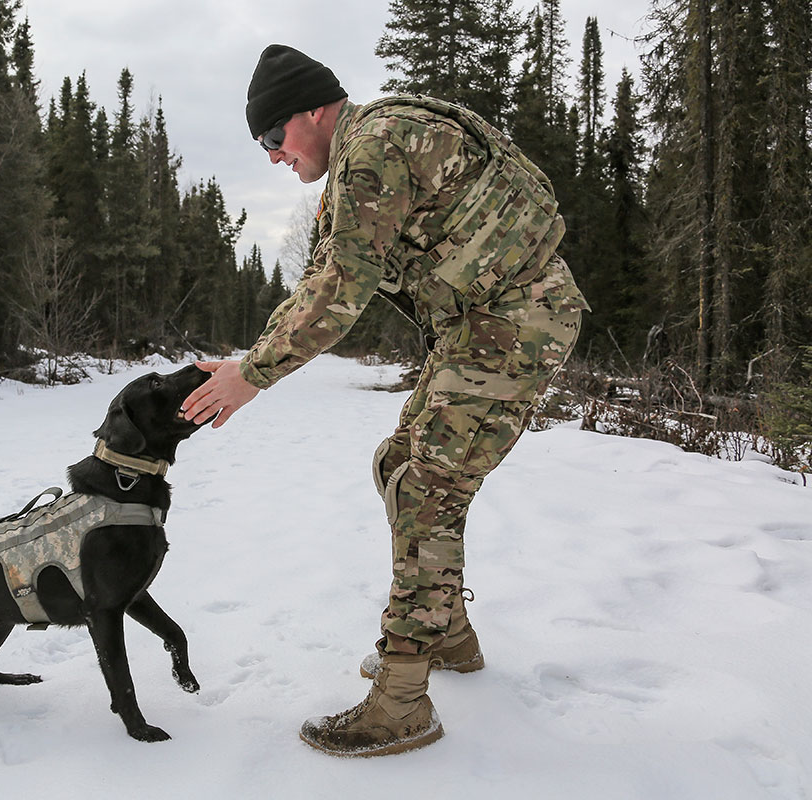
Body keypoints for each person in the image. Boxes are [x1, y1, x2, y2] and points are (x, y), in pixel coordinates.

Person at [181, 44, 589, 757]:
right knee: (398, 464)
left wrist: (255, 378)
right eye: (261, 144)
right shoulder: (363, 156)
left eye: (275, 136)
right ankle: (447, 638)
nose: (273, 155)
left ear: (315, 111)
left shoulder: (373, 149)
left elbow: (341, 292)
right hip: (484, 324)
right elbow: (320, 277)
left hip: (515, 322)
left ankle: (402, 701)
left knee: (427, 490)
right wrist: (251, 360)